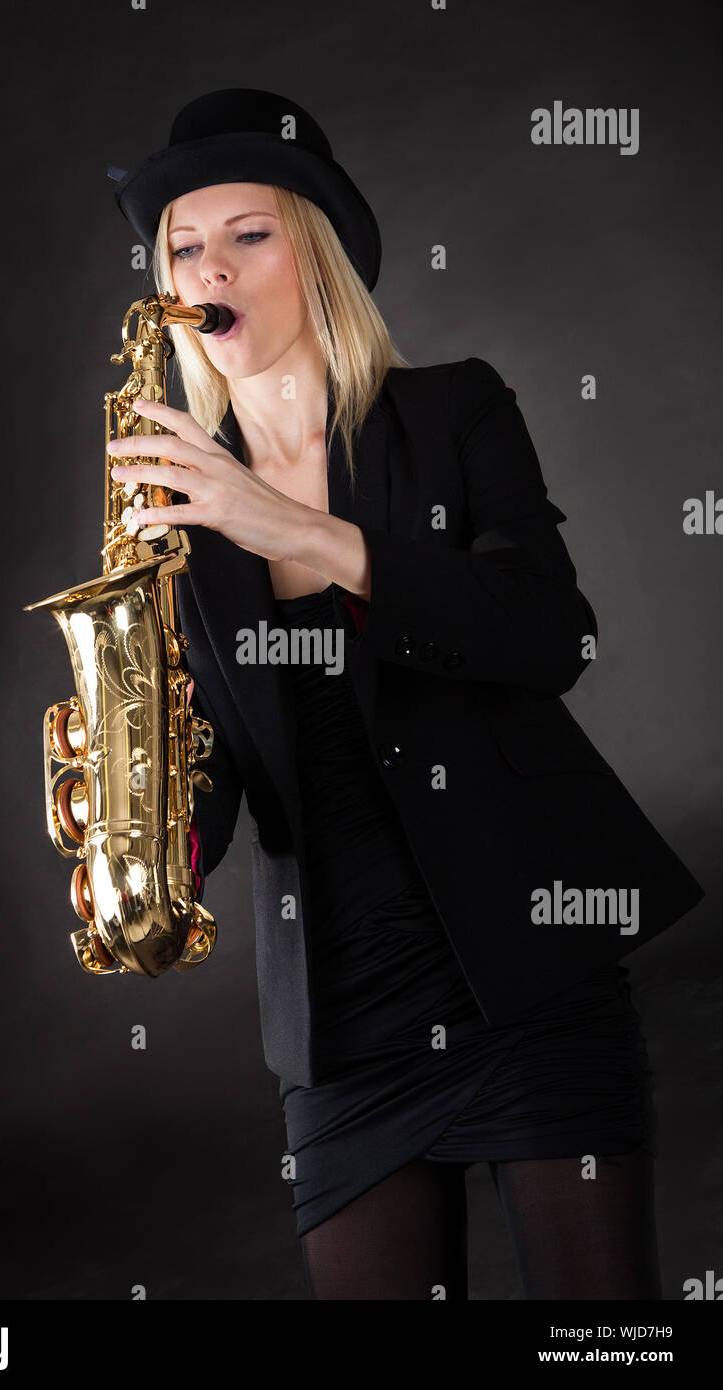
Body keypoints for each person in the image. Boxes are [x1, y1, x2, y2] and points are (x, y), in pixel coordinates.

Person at [105, 89, 704, 1300]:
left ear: (317, 250)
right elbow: (217, 754)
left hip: (527, 966)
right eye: (180, 244)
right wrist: (143, 832)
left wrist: (292, 527)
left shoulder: (454, 410)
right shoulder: (171, 505)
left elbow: (546, 635)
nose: (202, 267)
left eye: (246, 233)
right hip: (339, 1020)